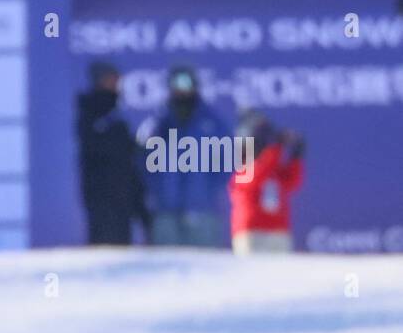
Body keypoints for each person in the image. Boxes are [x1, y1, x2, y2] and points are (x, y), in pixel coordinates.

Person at [141, 65, 230, 247]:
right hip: (165, 211)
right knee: (165, 270)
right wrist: (158, 190)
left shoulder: (212, 123)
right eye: (177, 83)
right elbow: (142, 164)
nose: (182, 89)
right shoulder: (157, 123)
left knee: (206, 270)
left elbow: (226, 161)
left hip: (202, 211)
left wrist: (206, 190)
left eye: (186, 83)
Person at [76, 61, 148, 245]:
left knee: (122, 247)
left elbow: (126, 156)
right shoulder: (90, 111)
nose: (116, 84)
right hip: (102, 197)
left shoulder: (114, 114)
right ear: (99, 81)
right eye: (112, 79)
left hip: (123, 195)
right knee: (105, 250)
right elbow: (100, 151)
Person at [228, 110, 304, 254]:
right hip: (252, 234)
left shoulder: (273, 169)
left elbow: (292, 183)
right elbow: (258, 174)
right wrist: (277, 147)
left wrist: (296, 157)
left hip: (278, 232)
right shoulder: (244, 171)